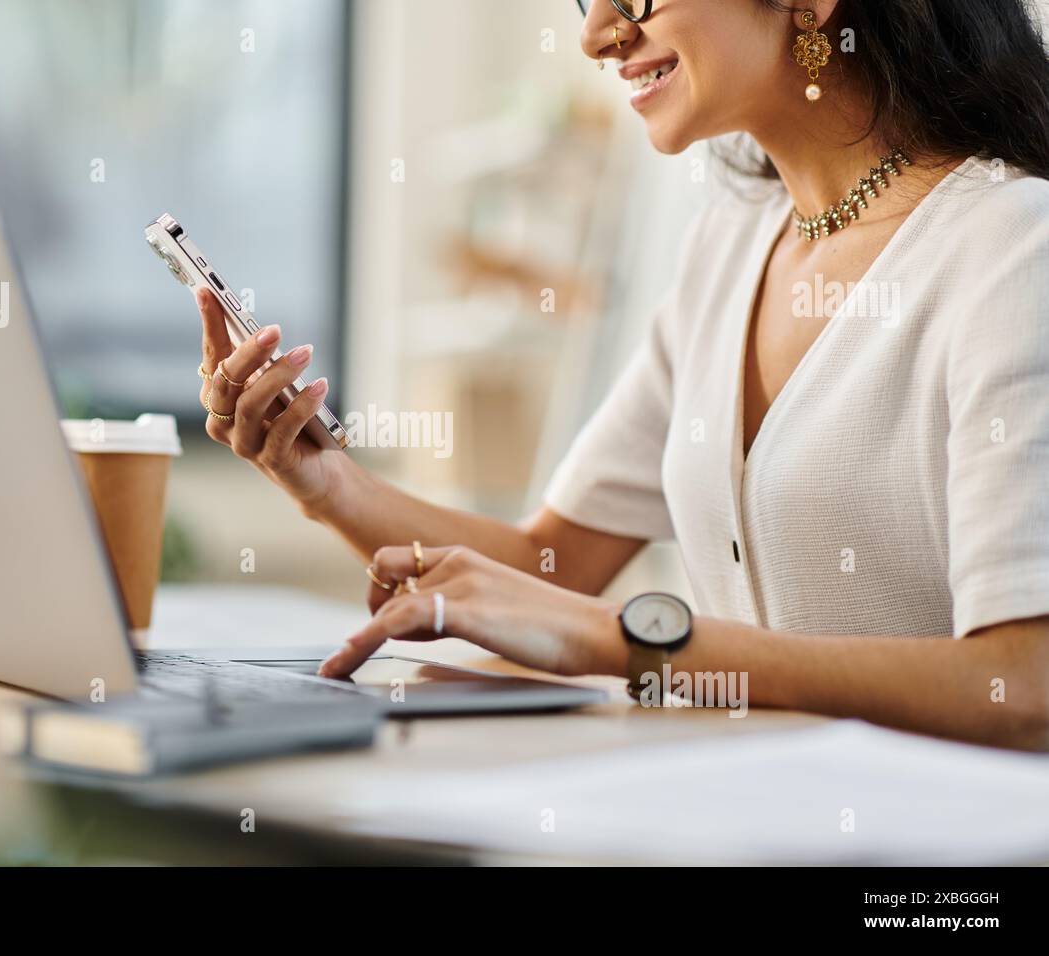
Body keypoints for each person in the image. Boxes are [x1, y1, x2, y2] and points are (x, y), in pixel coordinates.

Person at [191, 0, 1049, 749]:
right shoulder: (730, 245)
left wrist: (638, 644)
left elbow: (1026, 687)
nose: (598, 34)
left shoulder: (1014, 248)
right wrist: (323, 482)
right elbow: (553, 561)